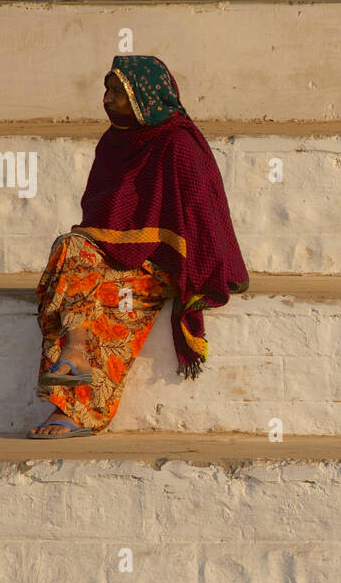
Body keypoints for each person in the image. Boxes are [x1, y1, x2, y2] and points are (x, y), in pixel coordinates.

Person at [28, 55, 249, 438]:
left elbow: (203, 216)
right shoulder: (113, 142)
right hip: (117, 255)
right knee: (70, 252)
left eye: (118, 92)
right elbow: (99, 216)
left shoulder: (178, 143)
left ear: (144, 99)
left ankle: (70, 409)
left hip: (162, 263)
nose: (107, 100)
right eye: (107, 89)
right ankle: (75, 354)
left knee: (90, 295)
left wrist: (211, 274)